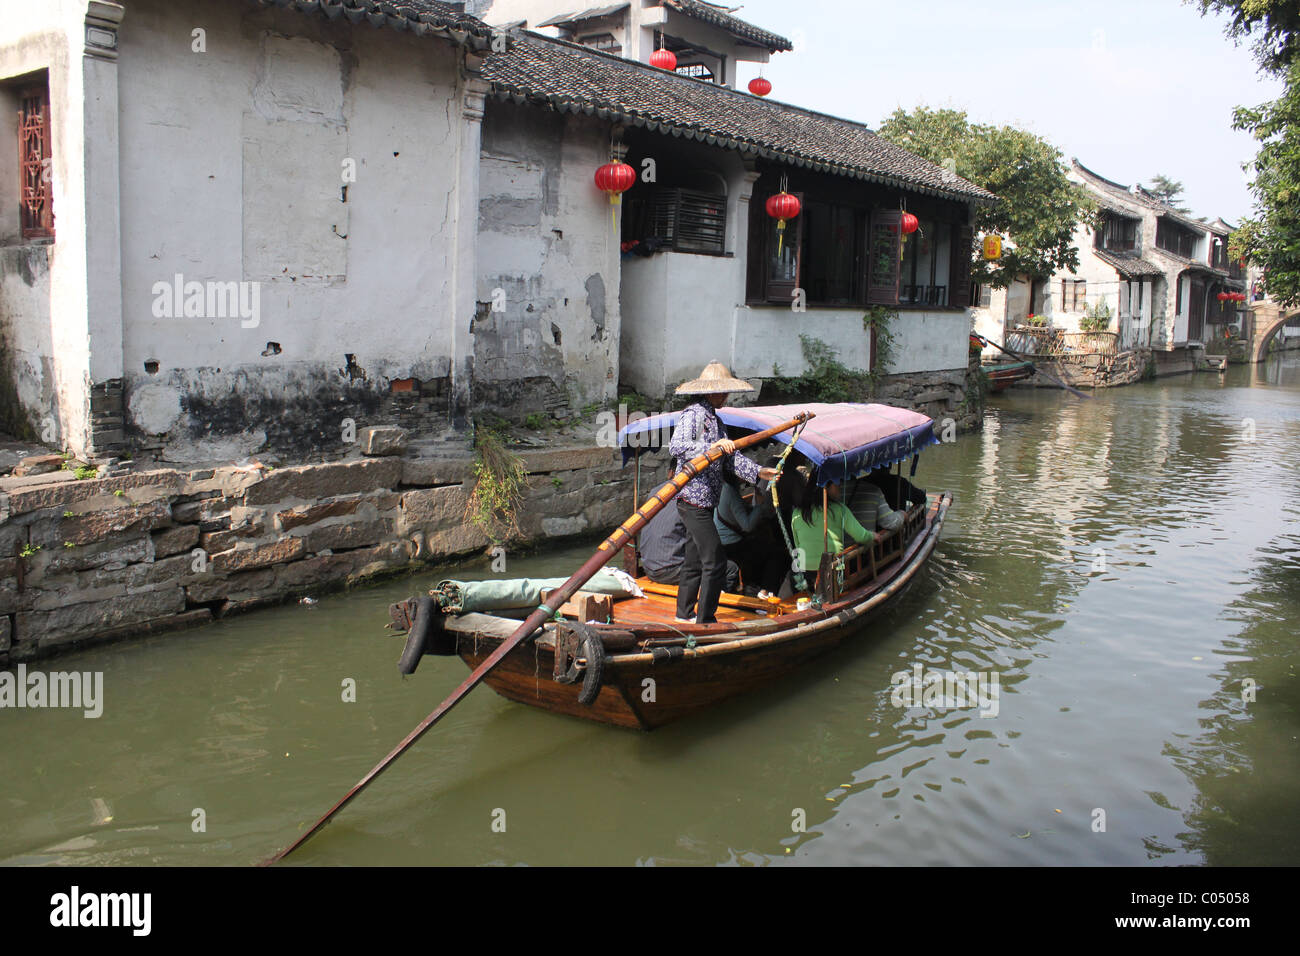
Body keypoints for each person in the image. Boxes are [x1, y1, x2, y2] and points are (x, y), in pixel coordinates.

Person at [669, 361, 778, 624]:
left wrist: (759, 472)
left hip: (705, 500)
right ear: (710, 392)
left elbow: (730, 458)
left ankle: (684, 614)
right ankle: (705, 619)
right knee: (716, 561)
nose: (726, 397)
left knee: (695, 560)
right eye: (722, 392)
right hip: (692, 499)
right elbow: (677, 447)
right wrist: (712, 446)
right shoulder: (694, 414)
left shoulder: (716, 420)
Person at [790, 477, 875, 587]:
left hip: (806, 569)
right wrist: (873, 536)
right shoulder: (839, 509)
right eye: (836, 483)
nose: (840, 485)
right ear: (825, 487)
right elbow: (861, 537)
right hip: (833, 570)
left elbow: (797, 544)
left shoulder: (797, 512)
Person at [638, 502, 741, 593]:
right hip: (671, 570)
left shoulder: (657, 491)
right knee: (730, 569)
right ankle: (717, 605)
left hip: (648, 567)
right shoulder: (694, 497)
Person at [715, 470, 786, 597]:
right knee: (775, 553)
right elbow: (747, 526)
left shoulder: (721, 487)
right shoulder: (729, 492)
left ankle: (755, 586)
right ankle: (766, 591)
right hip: (732, 545)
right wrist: (759, 504)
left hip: (723, 542)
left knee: (761, 544)